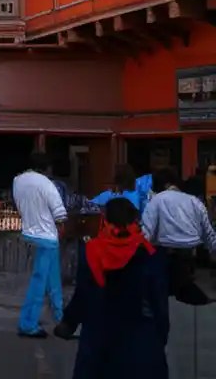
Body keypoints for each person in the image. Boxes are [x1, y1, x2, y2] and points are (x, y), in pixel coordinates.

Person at [54, 198, 170, 379]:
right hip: (141, 345)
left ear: (105, 221)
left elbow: (83, 295)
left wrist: (69, 323)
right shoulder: (149, 254)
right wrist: (160, 335)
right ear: (134, 221)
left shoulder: (92, 251)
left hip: (99, 344)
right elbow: (159, 302)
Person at [141, 166, 216, 305]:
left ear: (163, 185)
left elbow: (146, 233)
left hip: (164, 254)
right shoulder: (194, 201)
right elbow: (208, 233)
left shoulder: (157, 200)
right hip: (190, 254)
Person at [13, 152, 67, 338]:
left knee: (51, 282)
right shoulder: (45, 183)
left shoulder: (18, 181)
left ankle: (63, 320)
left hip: (28, 235)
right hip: (47, 238)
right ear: (46, 168)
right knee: (42, 283)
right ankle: (28, 324)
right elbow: (60, 213)